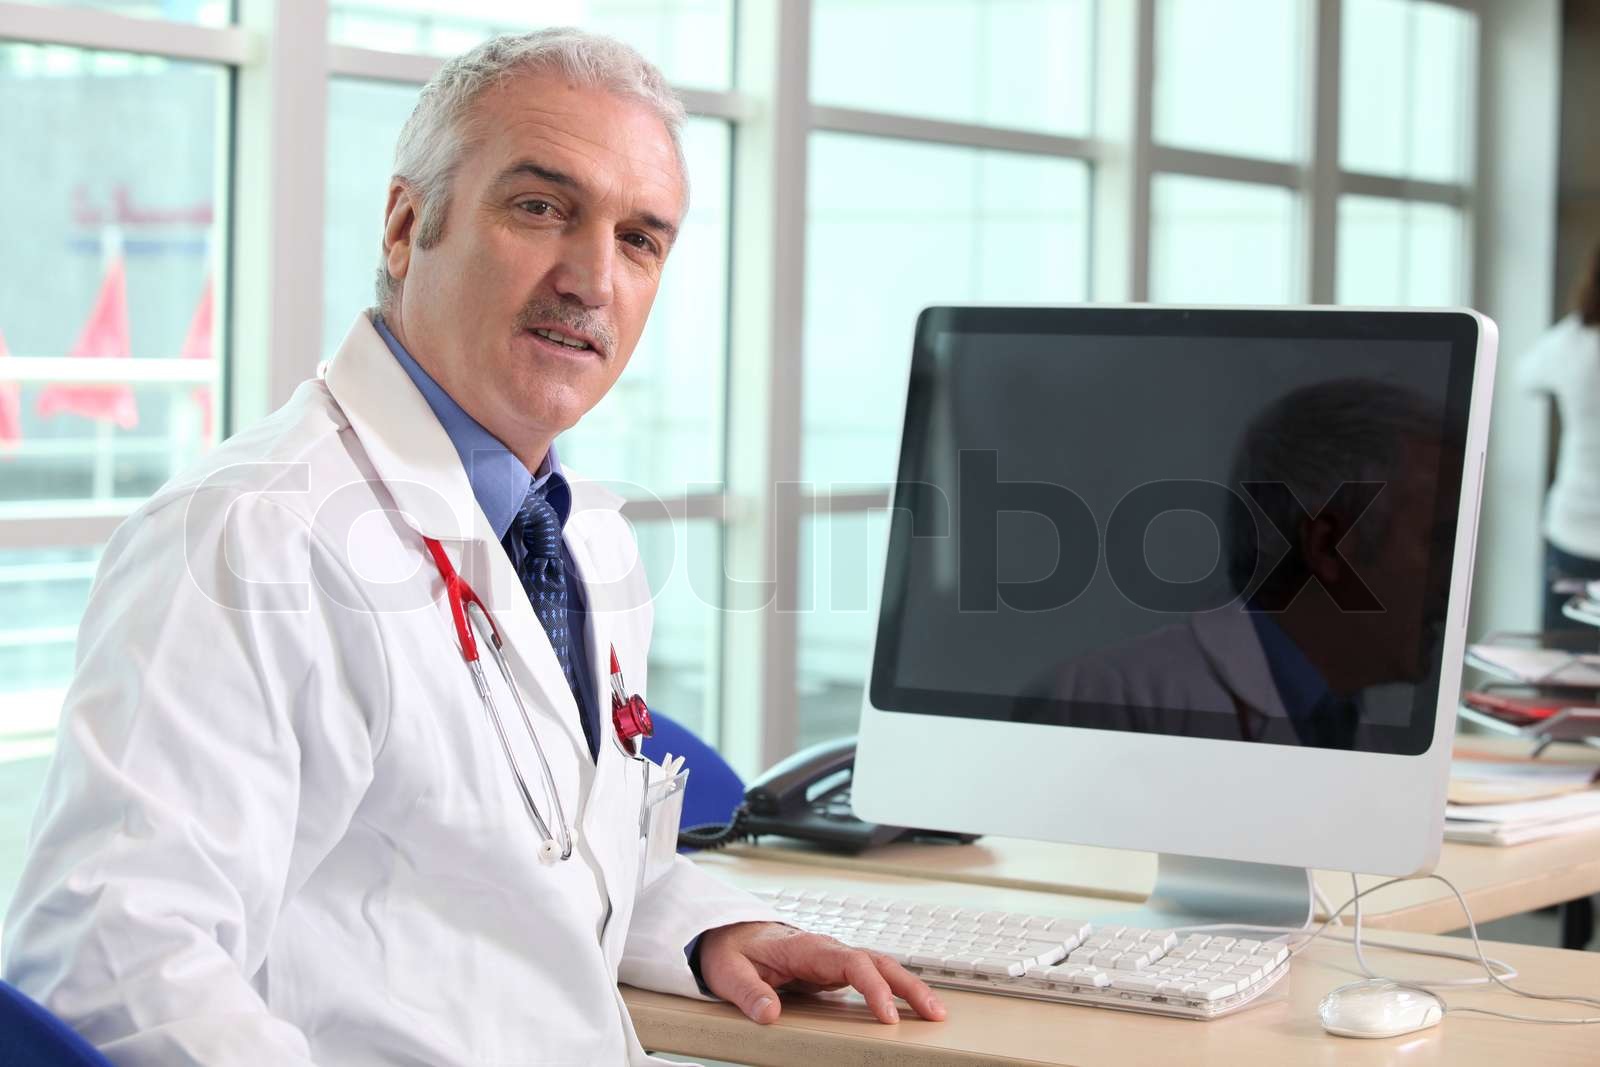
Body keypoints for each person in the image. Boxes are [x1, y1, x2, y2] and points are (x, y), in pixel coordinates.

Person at [0, 29, 943, 1066]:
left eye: (639, 239)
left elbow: (540, 852)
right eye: (541, 208)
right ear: (408, 226)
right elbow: (113, 965)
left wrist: (713, 928)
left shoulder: (579, 530)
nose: (590, 279)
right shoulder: (247, 535)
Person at [1040, 379, 1454, 751]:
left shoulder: (1351, 719)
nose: (1454, 582)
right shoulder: (1110, 698)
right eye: (1439, 542)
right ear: (1328, 547)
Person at [1519, 237, 1600, 629]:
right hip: (1575, 530)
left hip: (1573, 529)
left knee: (1565, 669)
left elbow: (1525, 376)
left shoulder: (1573, 341)